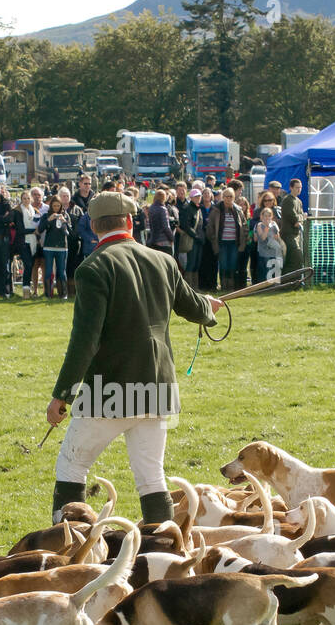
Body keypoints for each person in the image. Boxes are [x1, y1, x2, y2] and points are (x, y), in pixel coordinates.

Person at [45, 192, 224, 523]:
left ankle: (66, 548)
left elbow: (85, 340)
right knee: (151, 476)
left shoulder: (93, 268)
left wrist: (63, 393)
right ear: (130, 221)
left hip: (111, 386)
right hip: (158, 387)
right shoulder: (164, 261)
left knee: (72, 464)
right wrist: (208, 308)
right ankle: (164, 554)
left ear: (94, 226)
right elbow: (194, 307)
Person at [205, 187, 247, 292]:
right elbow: (210, 227)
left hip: (234, 243)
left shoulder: (238, 210)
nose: (228, 199)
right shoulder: (216, 209)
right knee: (223, 264)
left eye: (231, 196)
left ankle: (231, 286)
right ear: (223, 197)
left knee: (232, 264)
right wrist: (214, 240)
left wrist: (244, 239)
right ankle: (224, 285)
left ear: (234, 197)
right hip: (221, 243)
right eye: (226, 196)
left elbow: (244, 225)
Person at [39, 195, 71, 298]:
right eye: (54, 206)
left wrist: (64, 222)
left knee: (61, 271)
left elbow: (70, 232)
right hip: (49, 247)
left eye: (58, 206)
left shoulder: (65, 216)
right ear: (51, 206)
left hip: (62, 247)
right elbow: (40, 229)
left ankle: (63, 294)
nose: (56, 208)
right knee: (48, 270)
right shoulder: (46, 216)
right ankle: (48, 294)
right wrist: (49, 220)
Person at [280, 178, 307, 279]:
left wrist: (300, 218)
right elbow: (294, 217)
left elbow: (299, 218)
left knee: (297, 259)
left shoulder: (299, 201)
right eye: (297, 188)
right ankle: (287, 281)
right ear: (291, 188)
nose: (299, 190)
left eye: (300, 188)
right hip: (288, 234)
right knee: (295, 257)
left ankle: (295, 282)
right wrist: (302, 217)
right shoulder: (288, 200)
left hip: (296, 234)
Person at [252, 205, 284, 284]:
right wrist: (267, 228)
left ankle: (273, 285)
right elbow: (263, 237)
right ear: (261, 216)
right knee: (264, 270)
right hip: (263, 252)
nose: (267, 218)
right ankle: (263, 286)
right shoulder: (259, 225)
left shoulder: (274, 224)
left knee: (273, 269)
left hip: (273, 251)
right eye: (265, 216)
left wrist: (275, 230)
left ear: (272, 217)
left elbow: (277, 237)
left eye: (269, 216)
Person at [146, 189, 174, 255]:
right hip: (163, 241)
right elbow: (166, 226)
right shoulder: (163, 209)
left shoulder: (151, 208)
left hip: (153, 240)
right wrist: (172, 238)